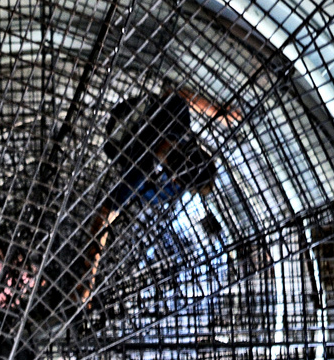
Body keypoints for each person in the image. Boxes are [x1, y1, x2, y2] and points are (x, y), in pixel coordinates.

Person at [80, 88, 229, 302]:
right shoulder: (143, 173)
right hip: (120, 126)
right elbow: (105, 215)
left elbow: (105, 214)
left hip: (122, 130)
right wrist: (89, 273)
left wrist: (216, 112)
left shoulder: (147, 172)